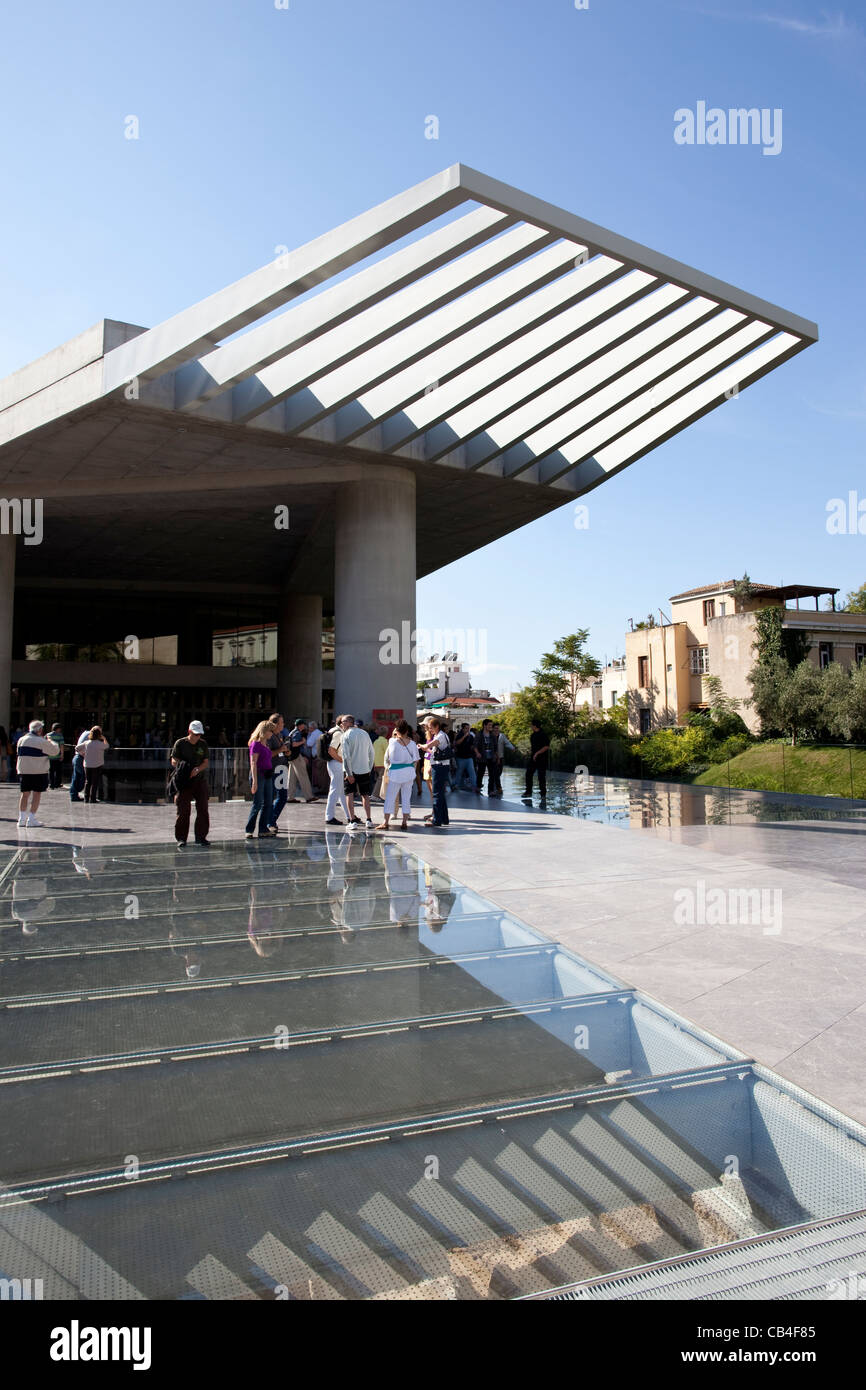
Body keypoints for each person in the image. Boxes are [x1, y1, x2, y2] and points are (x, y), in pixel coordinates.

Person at [170, 720, 210, 848]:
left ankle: (201, 836)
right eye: (195, 734)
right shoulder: (180, 743)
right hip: (185, 781)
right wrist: (184, 767)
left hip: (199, 780)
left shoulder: (202, 744)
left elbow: (205, 762)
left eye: (199, 734)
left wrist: (198, 769)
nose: (197, 737)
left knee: (203, 808)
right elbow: (173, 760)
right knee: (183, 810)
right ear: (190, 732)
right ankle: (181, 838)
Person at [16, 720, 62, 827]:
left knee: (25, 794)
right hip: (38, 771)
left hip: (24, 770)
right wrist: (51, 741)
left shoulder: (21, 739)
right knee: (37, 794)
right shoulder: (41, 741)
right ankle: (31, 819)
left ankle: (21, 819)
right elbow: (55, 751)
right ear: (40, 730)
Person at [381, 720, 419, 832]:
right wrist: (413, 771)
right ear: (407, 731)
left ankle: (386, 822)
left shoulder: (392, 741)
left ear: (396, 731)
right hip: (409, 772)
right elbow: (416, 760)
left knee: (390, 798)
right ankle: (404, 822)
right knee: (406, 798)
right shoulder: (412, 744)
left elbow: (387, 757)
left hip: (396, 773)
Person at [340, 716, 376, 831]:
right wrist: (369, 768)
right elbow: (371, 752)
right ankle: (369, 820)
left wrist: (349, 773)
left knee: (349, 794)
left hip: (351, 770)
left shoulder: (345, 735)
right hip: (364, 769)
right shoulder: (364, 733)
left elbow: (346, 757)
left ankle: (352, 821)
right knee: (365, 794)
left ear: (349, 722)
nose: (342, 724)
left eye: (343, 722)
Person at [246, 719, 278, 839]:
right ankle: (249, 829)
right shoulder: (256, 744)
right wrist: (254, 781)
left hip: (268, 775)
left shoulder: (266, 744)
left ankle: (263, 829)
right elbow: (253, 762)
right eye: (271, 731)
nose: (272, 733)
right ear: (265, 731)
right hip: (259, 775)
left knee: (268, 803)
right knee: (257, 803)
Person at [419, 717, 451, 828]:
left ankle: (437, 820)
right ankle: (445, 819)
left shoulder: (440, 736)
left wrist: (423, 746)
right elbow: (433, 752)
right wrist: (425, 748)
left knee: (437, 793)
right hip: (440, 765)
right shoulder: (440, 735)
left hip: (440, 766)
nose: (430, 730)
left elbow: (429, 745)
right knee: (440, 793)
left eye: (431, 728)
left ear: (437, 726)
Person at [323, 717, 350, 826]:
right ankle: (329, 816)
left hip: (332, 763)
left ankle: (349, 815)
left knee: (340, 792)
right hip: (336, 763)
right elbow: (331, 750)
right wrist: (342, 761)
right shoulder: (338, 733)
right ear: (342, 723)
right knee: (335, 790)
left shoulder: (332, 730)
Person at [266, 713, 290, 831]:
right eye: (281, 723)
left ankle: (272, 819)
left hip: (281, 768)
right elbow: (268, 754)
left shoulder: (279, 735)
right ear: (275, 724)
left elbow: (280, 751)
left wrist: (286, 751)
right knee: (270, 797)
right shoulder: (269, 737)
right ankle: (270, 822)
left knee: (283, 796)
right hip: (273, 770)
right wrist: (280, 749)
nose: (283, 725)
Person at [286, 718, 317, 803]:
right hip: (296, 757)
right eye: (303, 724)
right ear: (300, 725)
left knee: (291, 778)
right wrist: (303, 742)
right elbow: (294, 744)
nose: (305, 726)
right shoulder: (297, 733)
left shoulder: (291, 732)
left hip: (291, 757)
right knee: (303, 776)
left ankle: (290, 796)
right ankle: (309, 796)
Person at [76, 726, 109, 804]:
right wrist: (104, 739)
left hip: (87, 764)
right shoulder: (100, 744)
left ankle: (86, 798)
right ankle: (92, 798)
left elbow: (77, 748)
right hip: (97, 765)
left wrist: (83, 754)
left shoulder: (87, 743)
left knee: (87, 782)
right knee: (94, 782)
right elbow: (107, 746)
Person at [523, 719, 550, 801]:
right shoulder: (533, 735)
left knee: (541, 776)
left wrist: (537, 753)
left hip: (542, 759)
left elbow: (546, 746)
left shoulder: (543, 734)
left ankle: (543, 794)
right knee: (528, 773)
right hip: (533, 758)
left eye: (531, 725)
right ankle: (528, 792)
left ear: (535, 725)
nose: (530, 726)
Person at [476, 719, 498, 795]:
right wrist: (477, 753)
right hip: (482, 757)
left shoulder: (492, 735)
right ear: (484, 725)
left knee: (492, 775)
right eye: (489, 725)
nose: (490, 726)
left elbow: (495, 746)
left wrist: (496, 755)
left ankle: (490, 790)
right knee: (480, 773)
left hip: (491, 758)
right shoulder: (479, 734)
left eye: (491, 725)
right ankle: (478, 787)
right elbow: (474, 745)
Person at [453, 723, 477, 791]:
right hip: (460, 757)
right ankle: (456, 785)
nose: (468, 730)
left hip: (469, 757)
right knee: (459, 772)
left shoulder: (471, 736)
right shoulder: (459, 735)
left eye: (468, 728)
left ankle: (474, 786)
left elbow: (472, 745)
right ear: (462, 729)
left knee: (472, 772)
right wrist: (464, 737)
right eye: (466, 728)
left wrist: (476, 750)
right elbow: (457, 743)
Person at [371, 725, 388, 800]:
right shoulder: (385, 742)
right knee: (381, 779)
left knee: (379, 779)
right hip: (383, 763)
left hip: (376, 763)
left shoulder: (376, 742)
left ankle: (379, 794)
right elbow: (388, 753)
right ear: (386, 733)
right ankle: (375, 795)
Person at [69, 727, 86, 802]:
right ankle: (75, 794)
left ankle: (74, 795)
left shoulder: (85, 734)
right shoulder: (89, 736)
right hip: (80, 758)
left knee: (76, 777)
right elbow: (77, 748)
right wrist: (83, 754)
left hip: (77, 757)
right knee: (81, 777)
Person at [47, 722, 66, 789]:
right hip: (57, 755)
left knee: (51, 771)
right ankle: (57, 783)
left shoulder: (48, 735)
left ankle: (51, 784)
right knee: (58, 771)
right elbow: (61, 746)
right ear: (58, 729)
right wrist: (62, 755)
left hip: (49, 756)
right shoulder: (60, 735)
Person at [491, 722, 505, 797]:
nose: (497, 729)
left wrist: (512, 748)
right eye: (495, 728)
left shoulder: (501, 736)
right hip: (493, 758)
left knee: (499, 773)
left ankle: (495, 785)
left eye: (498, 728)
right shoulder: (490, 736)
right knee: (496, 773)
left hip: (501, 757)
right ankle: (498, 788)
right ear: (493, 729)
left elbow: (506, 742)